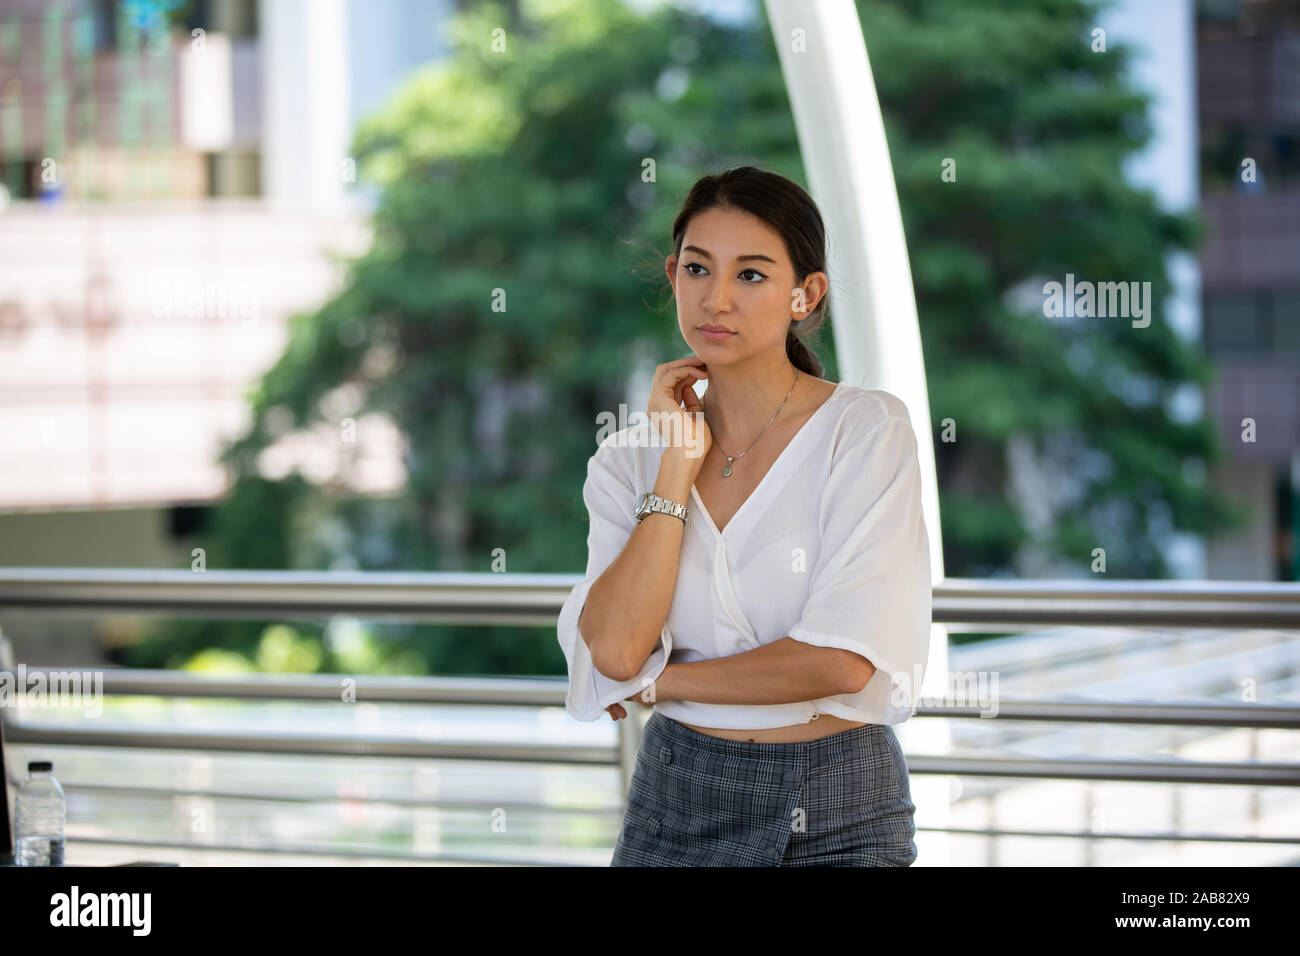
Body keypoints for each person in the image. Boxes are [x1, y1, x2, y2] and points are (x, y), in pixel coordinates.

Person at [556, 165, 932, 866]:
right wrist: (676, 464)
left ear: (805, 293)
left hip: (839, 804)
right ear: (673, 276)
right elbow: (611, 649)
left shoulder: (866, 430)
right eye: (698, 269)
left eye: (751, 275)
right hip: (676, 798)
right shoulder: (626, 462)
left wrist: (657, 682)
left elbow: (842, 661)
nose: (716, 298)